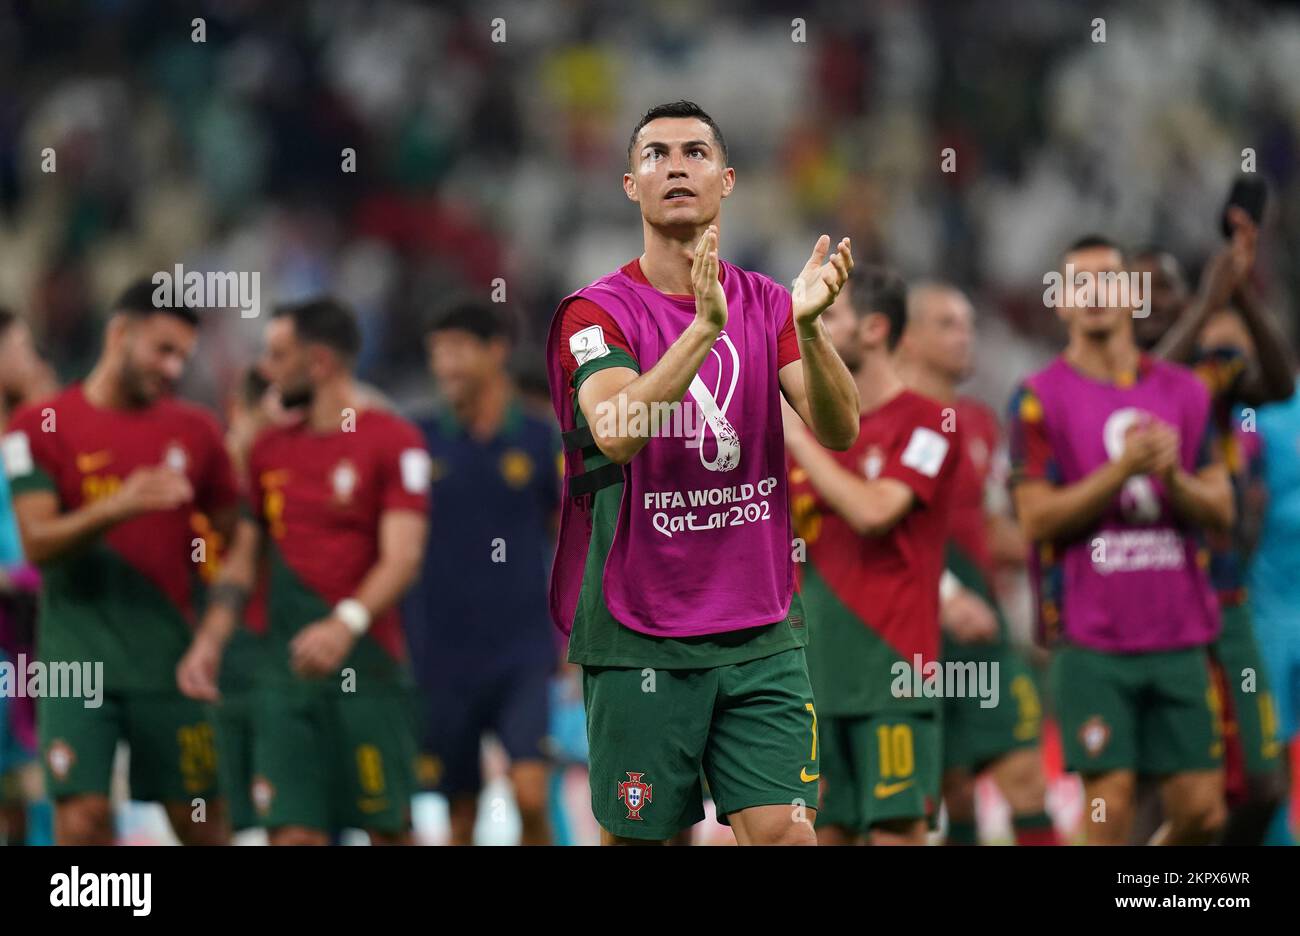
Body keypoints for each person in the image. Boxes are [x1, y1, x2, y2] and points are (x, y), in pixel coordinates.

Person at [545, 100, 859, 845]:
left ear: (726, 179)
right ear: (630, 185)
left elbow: (841, 429)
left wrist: (811, 329)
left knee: (786, 833)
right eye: (655, 155)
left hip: (762, 627)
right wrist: (702, 331)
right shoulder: (595, 314)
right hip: (639, 630)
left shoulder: (770, 303)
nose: (675, 166)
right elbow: (616, 431)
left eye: (693, 152)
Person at [177, 298, 431, 845]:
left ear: (318, 363)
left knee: (388, 831)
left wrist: (345, 623)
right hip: (283, 674)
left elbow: (404, 555)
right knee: (292, 836)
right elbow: (244, 557)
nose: (265, 371)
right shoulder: (268, 451)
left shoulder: (393, 440)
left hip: (369, 670)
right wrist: (210, 642)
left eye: (276, 355)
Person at [1008, 236, 1232, 845]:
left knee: (1203, 811)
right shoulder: (1038, 398)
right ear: (1061, 304)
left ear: (1133, 296)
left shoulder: (1185, 392)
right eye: (1078, 283)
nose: (1095, 294)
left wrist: (1172, 478)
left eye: (1110, 280)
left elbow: (1222, 507)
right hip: (1091, 636)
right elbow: (1034, 519)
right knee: (1111, 802)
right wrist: (1120, 471)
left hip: (1180, 629)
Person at [3, 280, 239, 845]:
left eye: (183, 355)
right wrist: (122, 503)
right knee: (81, 818)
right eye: (163, 349)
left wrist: (215, 630)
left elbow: (238, 538)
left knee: (201, 822)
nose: (175, 367)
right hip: (73, 662)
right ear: (119, 334)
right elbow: (37, 540)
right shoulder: (38, 428)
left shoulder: (196, 431)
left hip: (170, 661)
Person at [1132, 212, 1294, 844]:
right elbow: (1140, 399)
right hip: (1143, 599)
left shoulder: (1213, 369)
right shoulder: (1101, 379)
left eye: (1169, 286)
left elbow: (1278, 384)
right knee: (1160, 782)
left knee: (1261, 780)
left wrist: (1242, 293)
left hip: (1224, 593)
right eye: (1144, 288)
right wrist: (1206, 303)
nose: (1160, 300)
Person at [785, 271, 961, 845]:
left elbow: (873, 512)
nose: (809, 329)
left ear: (875, 328)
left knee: (895, 836)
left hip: (894, 678)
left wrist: (795, 436)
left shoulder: (929, 421)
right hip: (810, 681)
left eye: (827, 317)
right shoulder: (804, 429)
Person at [895, 283, 1058, 846]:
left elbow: (991, 527)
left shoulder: (981, 422)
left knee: (1026, 777)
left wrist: (1069, 554)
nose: (965, 336)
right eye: (947, 324)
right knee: (951, 789)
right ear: (907, 339)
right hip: (910, 631)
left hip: (982, 625)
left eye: (968, 323)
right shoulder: (884, 420)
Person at [404, 300, 560, 845]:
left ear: (495, 351)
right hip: (441, 654)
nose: (444, 365)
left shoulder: (542, 438)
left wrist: (572, 632)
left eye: (456, 349)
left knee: (531, 794)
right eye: (436, 353)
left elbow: (569, 536)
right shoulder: (417, 438)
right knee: (459, 816)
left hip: (522, 649)